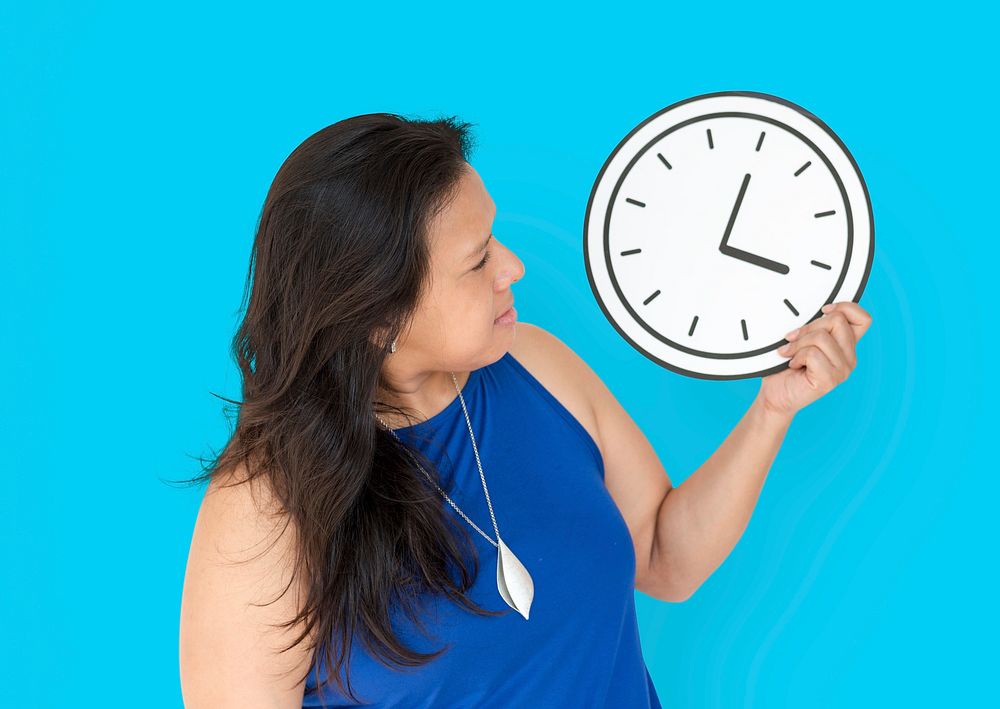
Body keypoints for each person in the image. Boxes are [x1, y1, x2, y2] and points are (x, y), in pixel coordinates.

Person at [178, 113, 872, 708]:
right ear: (377, 314)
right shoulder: (264, 505)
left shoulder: (535, 364)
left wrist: (773, 409)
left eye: (496, 239)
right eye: (478, 259)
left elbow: (665, 556)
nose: (514, 266)